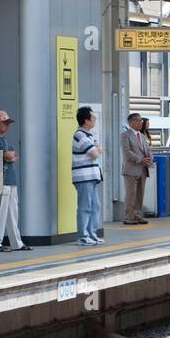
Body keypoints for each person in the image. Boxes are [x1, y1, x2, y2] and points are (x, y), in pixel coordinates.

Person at [0, 110, 32, 252]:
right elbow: (8, 155)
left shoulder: (5, 140)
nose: (7, 126)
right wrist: (9, 156)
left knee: (12, 213)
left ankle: (17, 243)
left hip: (9, 179)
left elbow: (13, 155)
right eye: (4, 123)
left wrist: (9, 156)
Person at [71, 105, 104, 246]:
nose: (95, 120)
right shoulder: (80, 135)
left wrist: (97, 149)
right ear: (86, 121)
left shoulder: (89, 135)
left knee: (95, 206)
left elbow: (97, 149)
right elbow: (95, 153)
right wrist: (97, 149)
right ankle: (83, 235)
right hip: (84, 177)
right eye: (93, 118)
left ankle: (92, 233)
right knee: (85, 206)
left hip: (91, 177)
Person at [121, 112, 153, 225]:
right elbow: (127, 152)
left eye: (141, 121)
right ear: (131, 122)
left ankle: (137, 215)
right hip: (131, 169)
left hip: (143, 169)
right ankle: (129, 216)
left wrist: (150, 159)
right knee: (131, 194)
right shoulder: (125, 135)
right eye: (138, 120)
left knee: (140, 193)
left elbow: (148, 151)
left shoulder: (142, 136)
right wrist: (141, 159)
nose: (141, 123)